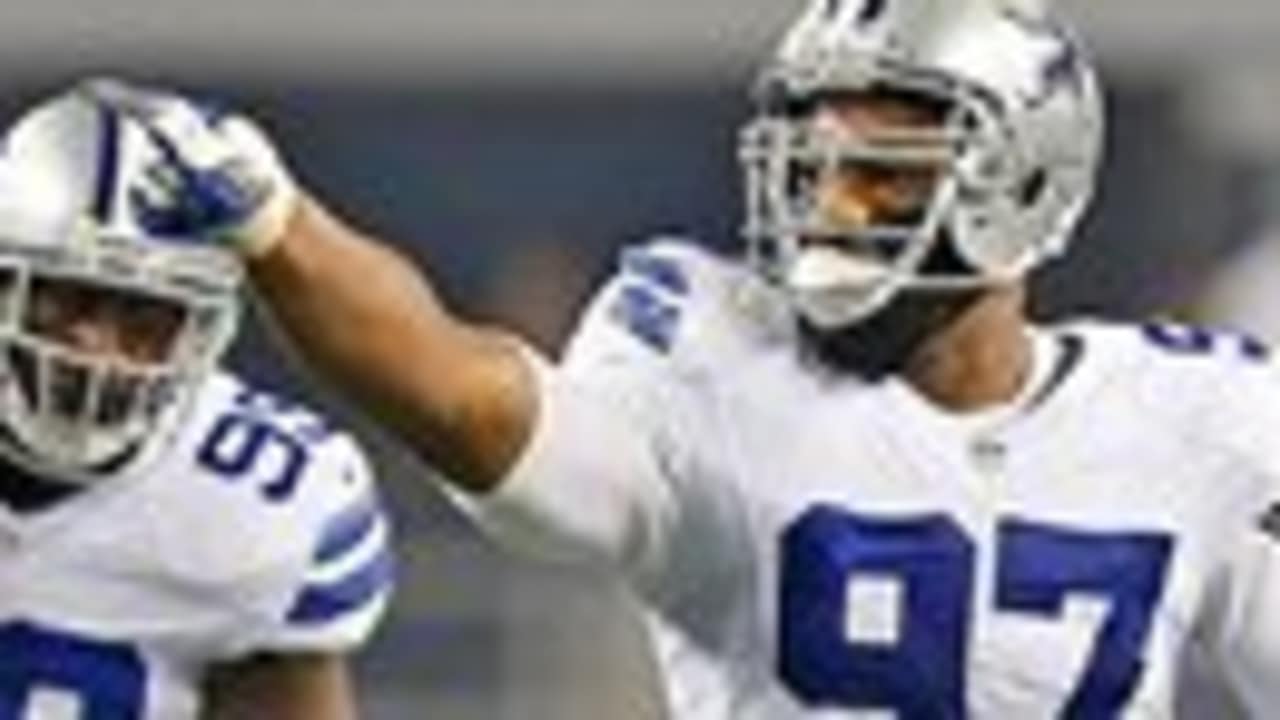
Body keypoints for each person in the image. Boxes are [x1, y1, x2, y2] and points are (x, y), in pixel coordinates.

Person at [71, 0, 1280, 715]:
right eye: (809, 171)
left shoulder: (1201, 419)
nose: (827, 211)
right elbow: (473, 403)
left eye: (878, 177)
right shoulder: (711, 352)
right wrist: (281, 227)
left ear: (1022, 189)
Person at [0, 88, 393, 718]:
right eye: (68, 300)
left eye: (144, 319)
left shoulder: (257, 500)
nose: (97, 350)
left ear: (201, 331)